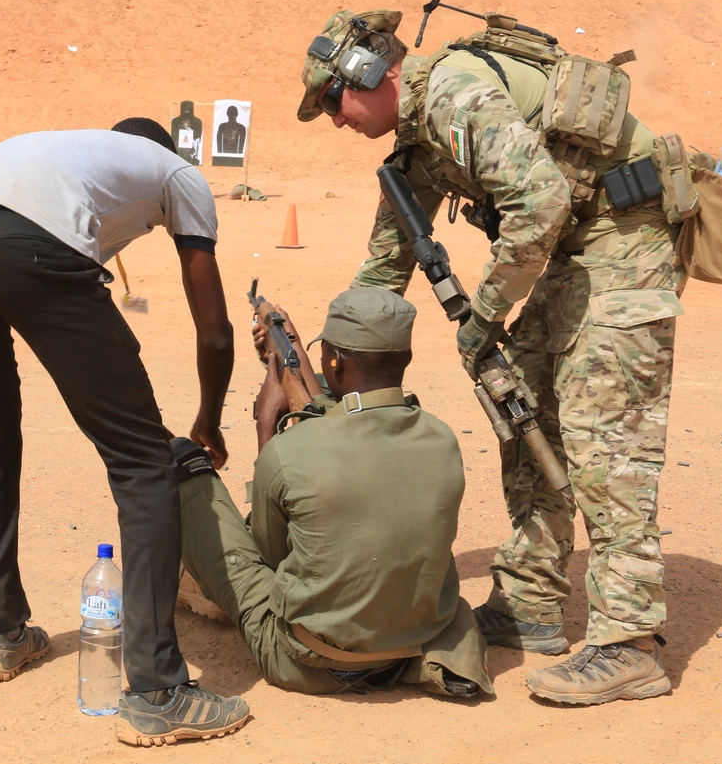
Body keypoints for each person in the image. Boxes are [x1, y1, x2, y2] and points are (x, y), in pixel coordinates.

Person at [296, 10, 685, 705]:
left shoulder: (454, 93)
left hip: (629, 237)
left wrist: (484, 311)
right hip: (573, 246)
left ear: (371, 73)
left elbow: (541, 200)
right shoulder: (417, 142)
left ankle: (629, 641)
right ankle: (530, 600)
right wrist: (323, 369)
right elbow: (384, 272)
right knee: (522, 402)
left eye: (333, 98)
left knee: (604, 430)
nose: (334, 119)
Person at [0, 120, 249, 746]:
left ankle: (1, 636)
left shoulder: (80, 159)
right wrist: (207, 419)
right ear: (162, 151)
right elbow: (215, 330)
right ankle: (158, 691)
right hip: (26, 234)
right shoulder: (177, 172)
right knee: (142, 460)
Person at [175, 287, 493, 698]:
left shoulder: (289, 452)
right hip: (411, 644)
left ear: (334, 361)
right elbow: (355, 417)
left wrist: (267, 432)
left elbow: (270, 557)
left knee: (183, 463)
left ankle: (178, 582)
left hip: (306, 662)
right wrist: (293, 361)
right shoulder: (442, 437)